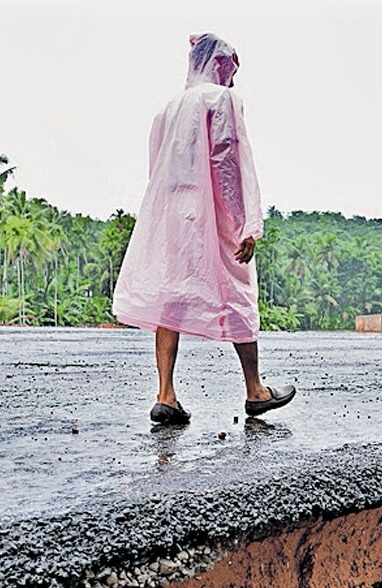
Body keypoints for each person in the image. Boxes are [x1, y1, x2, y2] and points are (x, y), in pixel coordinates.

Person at [113, 33, 296, 425]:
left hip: (170, 213)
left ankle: (166, 395)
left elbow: (155, 168)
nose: (232, 75)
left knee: (170, 295)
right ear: (219, 64)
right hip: (210, 208)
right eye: (231, 66)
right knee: (237, 288)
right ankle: (255, 390)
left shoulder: (167, 108)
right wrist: (246, 222)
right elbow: (227, 158)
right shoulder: (221, 99)